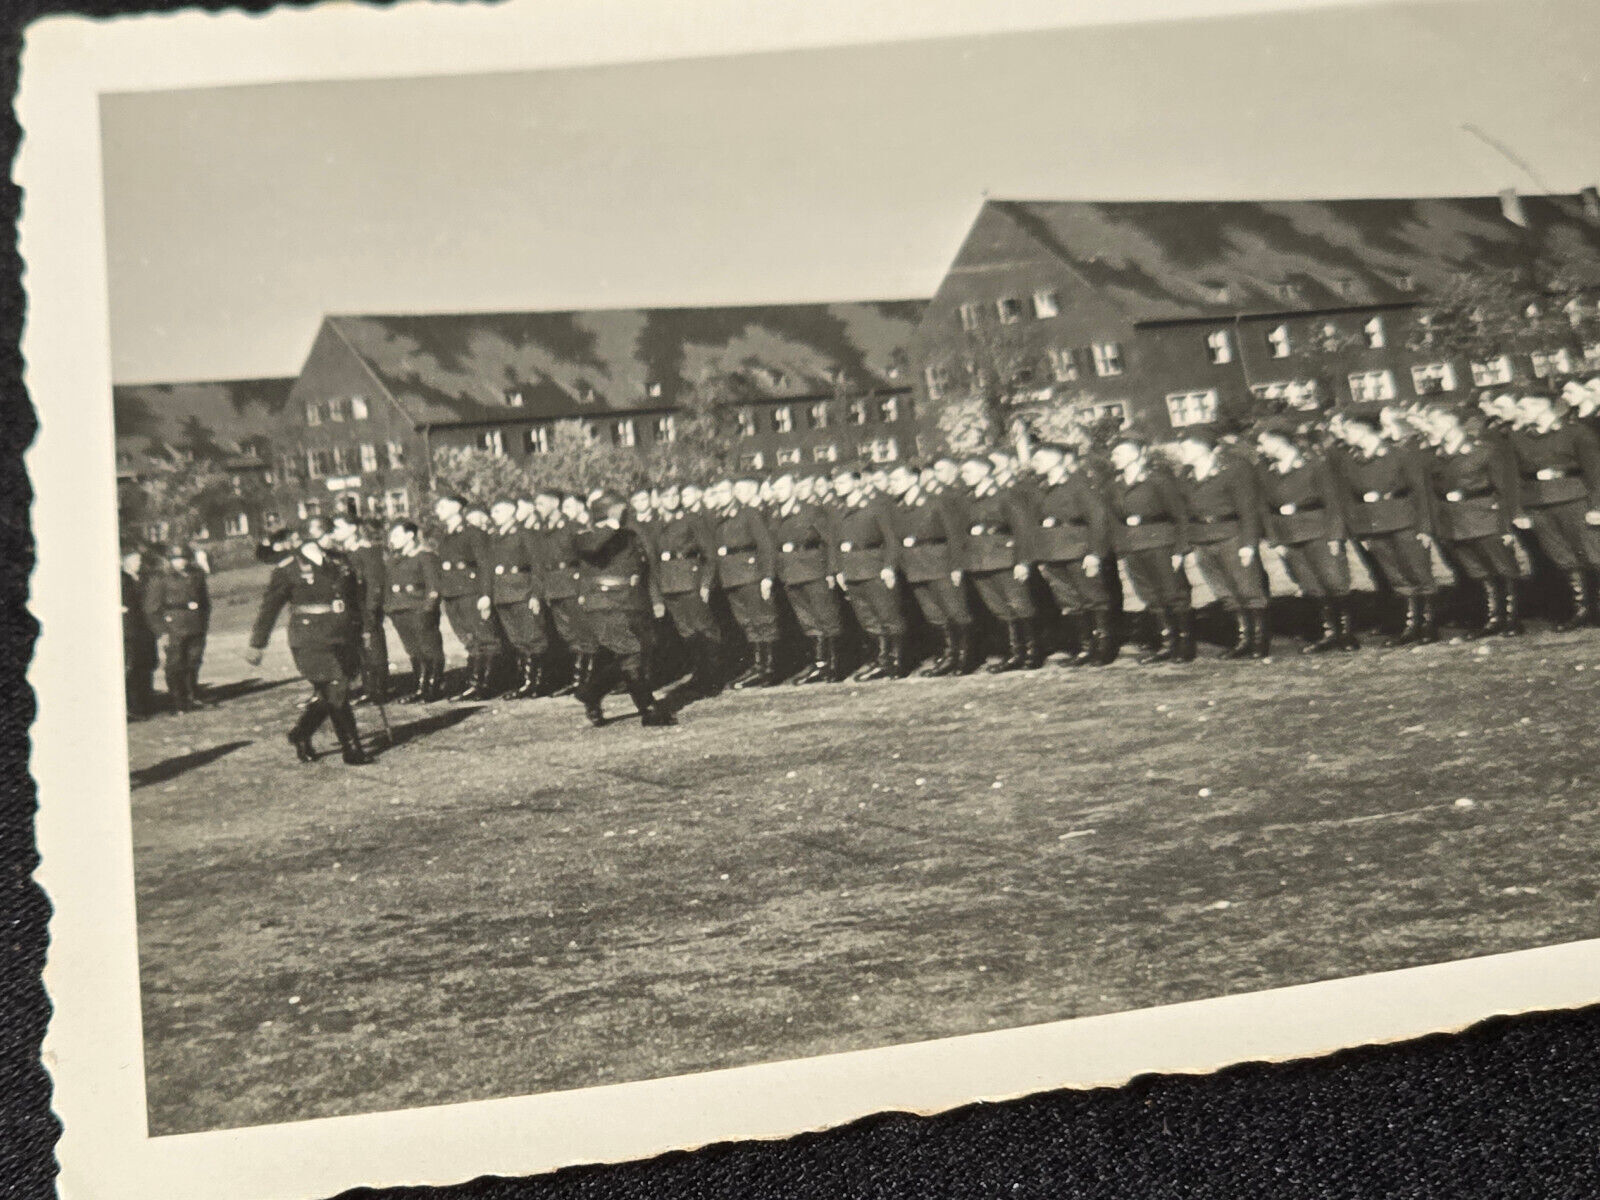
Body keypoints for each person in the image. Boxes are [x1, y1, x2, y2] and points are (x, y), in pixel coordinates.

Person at [243, 518, 373, 765]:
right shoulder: (288, 567)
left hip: (342, 634)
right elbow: (269, 608)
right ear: (308, 538)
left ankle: (301, 733)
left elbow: (356, 599)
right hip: (310, 638)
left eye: (330, 531)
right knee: (336, 687)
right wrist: (257, 644)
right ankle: (352, 749)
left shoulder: (339, 560)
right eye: (325, 533)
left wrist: (365, 630)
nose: (331, 537)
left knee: (333, 690)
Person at [1327, 411, 1440, 645]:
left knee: (1418, 572)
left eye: (1349, 430)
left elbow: (1421, 491)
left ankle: (1428, 625)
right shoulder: (1350, 460)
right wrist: (1360, 531)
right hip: (1373, 525)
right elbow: (1348, 498)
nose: (1344, 435)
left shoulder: (1399, 454)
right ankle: (1411, 626)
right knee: (1396, 576)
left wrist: (1425, 526)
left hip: (1404, 520)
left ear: (1365, 430)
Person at [1418, 406, 1526, 638]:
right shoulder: (1434, 457)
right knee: (1478, 570)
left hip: (1484, 516)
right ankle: (1493, 618)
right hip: (1454, 522)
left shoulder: (1483, 451)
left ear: (1450, 425)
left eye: (1434, 424)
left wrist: (1506, 525)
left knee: (1503, 567)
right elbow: (1432, 495)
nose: (1430, 429)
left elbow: (1504, 489)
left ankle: (1512, 619)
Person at [1252, 420, 1358, 652]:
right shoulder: (1265, 470)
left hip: (1318, 529)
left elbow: (1333, 502)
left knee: (1334, 581)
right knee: (1310, 584)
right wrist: (1274, 539)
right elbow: (1263, 508)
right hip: (1288, 534)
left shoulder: (1313, 465)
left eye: (1263, 443)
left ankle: (1347, 634)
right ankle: (1329, 633)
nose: (1260, 449)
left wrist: (1335, 535)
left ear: (1279, 442)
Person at [572, 490, 672, 727]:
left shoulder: (633, 533)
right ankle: (649, 710)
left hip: (634, 600)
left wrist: (656, 599)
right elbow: (593, 548)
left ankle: (591, 692)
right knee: (630, 652)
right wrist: (611, 523)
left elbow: (649, 566)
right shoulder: (585, 534)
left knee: (639, 652)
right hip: (603, 602)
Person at [1504, 390, 1600, 629]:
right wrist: (1518, 511)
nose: (1520, 413)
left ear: (1542, 406)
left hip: (1575, 500)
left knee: (1593, 554)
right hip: (1539, 506)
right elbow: (1514, 479)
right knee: (1563, 558)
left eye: (1524, 407)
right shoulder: (1517, 439)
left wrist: (1597, 505)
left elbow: (1595, 471)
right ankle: (1582, 609)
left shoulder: (1576, 432)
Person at [1174, 433, 1270, 659]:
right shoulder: (1186, 475)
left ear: (1203, 447)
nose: (1182, 452)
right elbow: (1184, 513)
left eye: (1186, 447)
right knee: (1224, 592)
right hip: (1202, 539)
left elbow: (1247, 509)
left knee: (1248, 589)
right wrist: (1187, 545)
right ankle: (1243, 639)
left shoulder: (1232, 469)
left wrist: (1248, 543)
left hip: (1231, 535)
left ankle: (1260, 640)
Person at [1103, 436, 1194, 663]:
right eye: (1114, 454)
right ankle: (1167, 643)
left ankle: (1185, 644)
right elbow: (1113, 520)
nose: (1115, 458)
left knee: (1174, 594)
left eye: (1120, 453)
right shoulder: (1113, 485)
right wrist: (1122, 547)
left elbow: (1180, 515)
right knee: (1150, 596)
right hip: (1133, 546)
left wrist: (1180, 549)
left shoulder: (1157, 480)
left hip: (1161, 542)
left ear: (1137, 454)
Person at [1023, 442, 1114, 667]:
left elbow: (1098, 517)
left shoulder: (1078, 484)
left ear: (1059, 459)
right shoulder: (1040, 488)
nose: (1036, 463)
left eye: (1041, 457)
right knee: (1069, 602)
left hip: (1078, 551)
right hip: (1052, 553)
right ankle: (1085, 648)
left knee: (1094, 598)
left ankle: (1104, 648)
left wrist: (1095, 553)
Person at [884, 460, 972, 676]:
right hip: (914, 568)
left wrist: (956, 566)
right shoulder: (897, 508)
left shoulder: (936, 502)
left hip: (939, 563)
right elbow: (894, 541)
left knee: (956, 611)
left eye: (896, 479)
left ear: (914, 479)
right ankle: (949, 656)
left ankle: (965, 658)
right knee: (935, 614)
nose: (891, 485)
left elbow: (954, 535)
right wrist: (891, 567)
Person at [957, 453, 1042, 671]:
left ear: (985, 470)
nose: (963, 475)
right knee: (1000, 609)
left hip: (1004, 559)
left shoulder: (1005, 496)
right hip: (978, 562)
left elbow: (1023, 530)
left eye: (968, 471)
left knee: (1020, 605)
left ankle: (1033, 652)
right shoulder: (967, 499)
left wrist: (1023, 561)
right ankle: (1015, 653)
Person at [829, 462, 907, 681]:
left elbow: (891, 540)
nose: (838, 486)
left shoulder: (875, 506)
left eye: (843, 481)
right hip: (851, 570)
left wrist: (889, 566)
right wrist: (838, 571)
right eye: (835, 482)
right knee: (868, 618)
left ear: (857, 482)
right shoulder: (838, 511)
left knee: (888, 614)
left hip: (874, 567)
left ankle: (897, 661)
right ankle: (881, 660)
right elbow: (834, 544)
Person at [651, 481, 727, 695]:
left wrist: (705, 584)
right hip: (669, 585)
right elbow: (653, 563)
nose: (671, 500)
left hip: (690, 581)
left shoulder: (691, 520)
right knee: (686, 632)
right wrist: (657, 596)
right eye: (666, 496)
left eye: (675, 495)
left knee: (705, 629)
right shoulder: (656, 526)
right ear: (658, 500)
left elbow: (710, 555)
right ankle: (699, 675)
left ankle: (714, 677)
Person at [769, 469, 844, 683]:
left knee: (827, 618)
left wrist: (832, 570)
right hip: (790, 574)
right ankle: (819, 664)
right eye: (775, 488)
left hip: (814, 571)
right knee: (808, 621)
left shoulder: (811, 511)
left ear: (794, 487)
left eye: (783, 487)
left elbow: (830, 541)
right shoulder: (775, 515)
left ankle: (835, 665)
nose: (779, 492)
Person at [708, 475, 780, 688]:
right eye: (715, 493)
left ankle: (769, 669)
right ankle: (757, 666)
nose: (719, 497)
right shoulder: (719, 517)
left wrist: (767, 576)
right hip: (731, 577)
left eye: (723, 492)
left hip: (751, 574)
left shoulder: (749, 513)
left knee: (763, 620)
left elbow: (765, 545)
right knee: (747, 622)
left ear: (733, 493)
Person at [476, 495, 548, 698]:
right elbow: (488, 569)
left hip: (522, 591)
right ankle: (525, 682)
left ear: (511, 511)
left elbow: (537, 566)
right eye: (493, 512)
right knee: (517, 640)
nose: (493, 516)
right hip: (502, 594)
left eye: (498, 511)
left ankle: (536, 683)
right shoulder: (494, 537)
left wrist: (536, 594)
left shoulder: (525, 534)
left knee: (533, 637)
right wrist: (487, 596)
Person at [432, 495, 497, 700]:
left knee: (484, 639)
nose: (438, 509)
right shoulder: (444, 537)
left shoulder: (474, 533)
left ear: (456, 507)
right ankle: (474, 683)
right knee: (469, 640)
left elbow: (486, 565)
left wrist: (486, 594)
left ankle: (483, 685)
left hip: (471, 592)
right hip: (452, 594)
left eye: (442, 505)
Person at [142, 542, 211, 711]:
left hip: (195, 624)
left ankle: (192, 695)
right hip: (174, 626)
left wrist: (203, 623)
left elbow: (205, 602)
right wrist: (162, 632)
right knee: (176, 663)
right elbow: (151, 609)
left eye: (184, 558)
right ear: (170, 560)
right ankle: (177, 701)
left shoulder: (196, 575)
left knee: (194, 660)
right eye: (177, 559)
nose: (181, 562)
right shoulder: (161, 579)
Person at [385, 520, 447, 701]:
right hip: (399, 610)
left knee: (430, 649)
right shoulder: (394, 560)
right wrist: (389, 607)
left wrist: (428, 609)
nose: (392, 539)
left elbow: (434, 585)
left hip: (419, 609)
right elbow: (388, 586)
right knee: (413, 650)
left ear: (410, 535)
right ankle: (421, 687)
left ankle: (433, 687)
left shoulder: (425, 556)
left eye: (396, 535)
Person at [332, 513, 390, 704]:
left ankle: (379, 689)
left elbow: (375, 584)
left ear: (353, 528)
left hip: (365, 607)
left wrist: (372, 610)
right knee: (358, 649)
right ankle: (367, 687)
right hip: (351, 610)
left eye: (338, 527)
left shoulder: (367, 552)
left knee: (373, 646)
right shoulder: (343, 554)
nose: (334, 532)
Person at [120, 546, 158, 719]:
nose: (139, 563)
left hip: (147, 629)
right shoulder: (119, 580)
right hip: (130, 631)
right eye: (135, 560)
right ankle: (134, 708)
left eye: (140, 560)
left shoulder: (144, 579)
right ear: (124, 561)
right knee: (132, 668)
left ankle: (147, 703)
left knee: (148, 665)